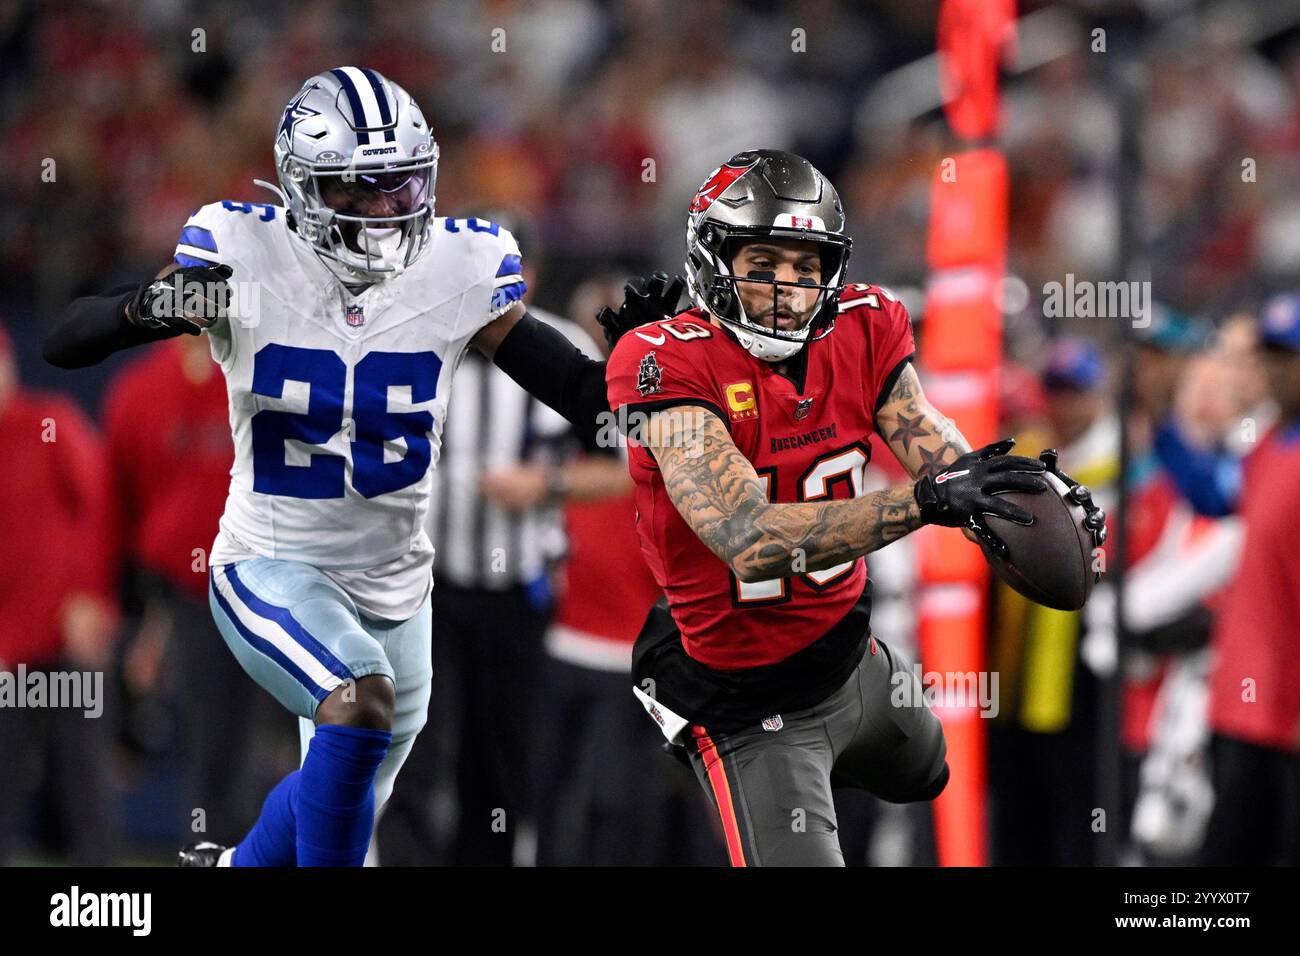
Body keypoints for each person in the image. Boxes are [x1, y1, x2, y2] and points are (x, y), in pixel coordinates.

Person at [42, 67, 670, 867]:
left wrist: (656, 377)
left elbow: (583, 398)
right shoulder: (245, 256)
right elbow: (67, 339)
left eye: (401, 185)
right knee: (355, 705)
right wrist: (154, 306)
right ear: (304, 189)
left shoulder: (457, 268)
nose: (386, 210)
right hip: (272, 563)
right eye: (360, 190)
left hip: (400, 591)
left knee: (335, 786)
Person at [605, 149, 1107, 866]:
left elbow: (937, 448)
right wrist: (926, 502)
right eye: (764, 262)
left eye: (806, 268)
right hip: (746, 700)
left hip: (850, 655)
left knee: (927, 772)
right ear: (714, 260)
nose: (787, 287)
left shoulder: (868, 322)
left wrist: (1021, 496)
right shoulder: (667, 358)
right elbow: (747, 536)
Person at [1153, 291, 1300, 865]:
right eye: (1272, 356)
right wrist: (1164, 418)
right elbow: (1214, 495)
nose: (1277, 370)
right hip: (1242, 707)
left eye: (1289, 356)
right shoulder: (1265, 447)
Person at [0, 323, 118, 863]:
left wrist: (91, 598)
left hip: (69, 633)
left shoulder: (48, 423)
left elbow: (101, 507)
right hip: (8, 646)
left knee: (83, 776)